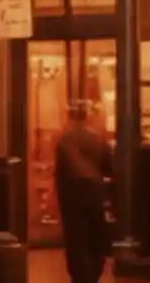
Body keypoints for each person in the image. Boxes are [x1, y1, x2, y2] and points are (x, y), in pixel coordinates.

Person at [55, 101, 113, 283]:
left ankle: (80, 276)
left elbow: (60, 171)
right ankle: (94, 272)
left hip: (72, 194)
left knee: (75, 237)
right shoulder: (98, 139)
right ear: (88, 117)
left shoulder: (64, 140)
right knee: (96, 234)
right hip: (95, 191)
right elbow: (109, 168)